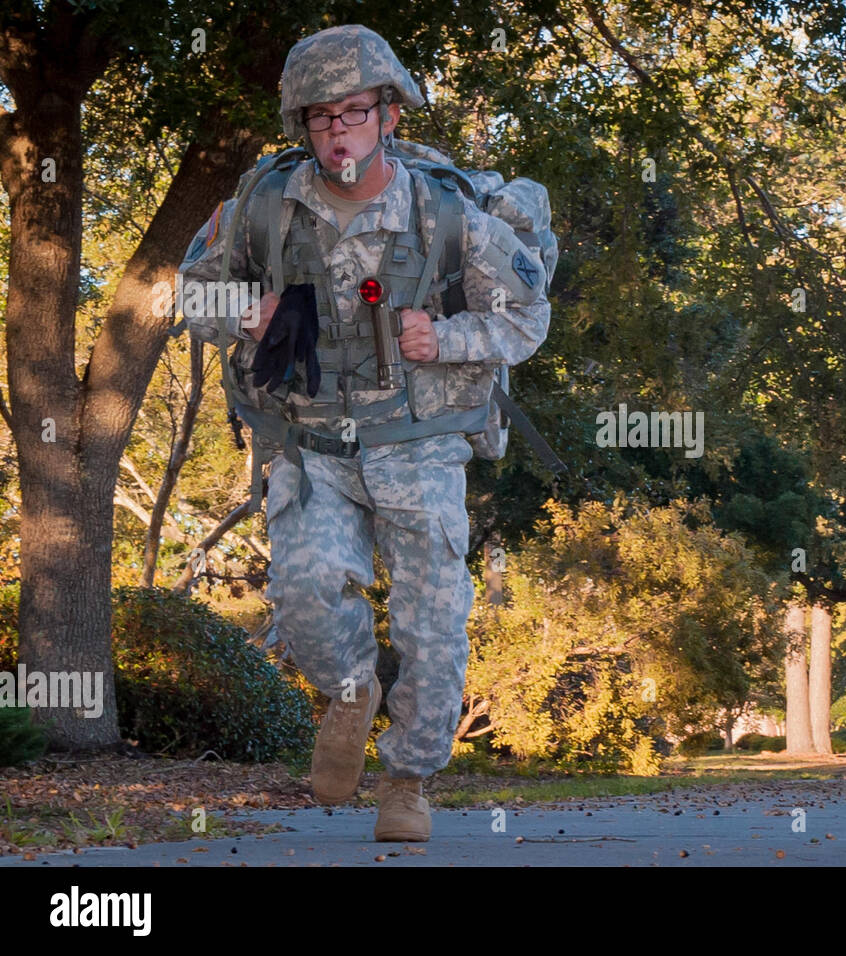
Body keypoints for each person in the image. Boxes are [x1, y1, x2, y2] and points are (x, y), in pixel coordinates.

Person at [178, 25, 550, 841]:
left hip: (420, 441)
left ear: (388, 113)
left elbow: (527, 316)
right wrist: (246, 316)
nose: (338, 130)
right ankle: (350, 692)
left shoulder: (446, 211)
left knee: (433, 626)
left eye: (354, 111)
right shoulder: (264, 206)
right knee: (303, 600)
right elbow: (189, 293)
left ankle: (409, 781)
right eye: (321, 116)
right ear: (301, 125)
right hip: (311, 441)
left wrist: (444, 339)